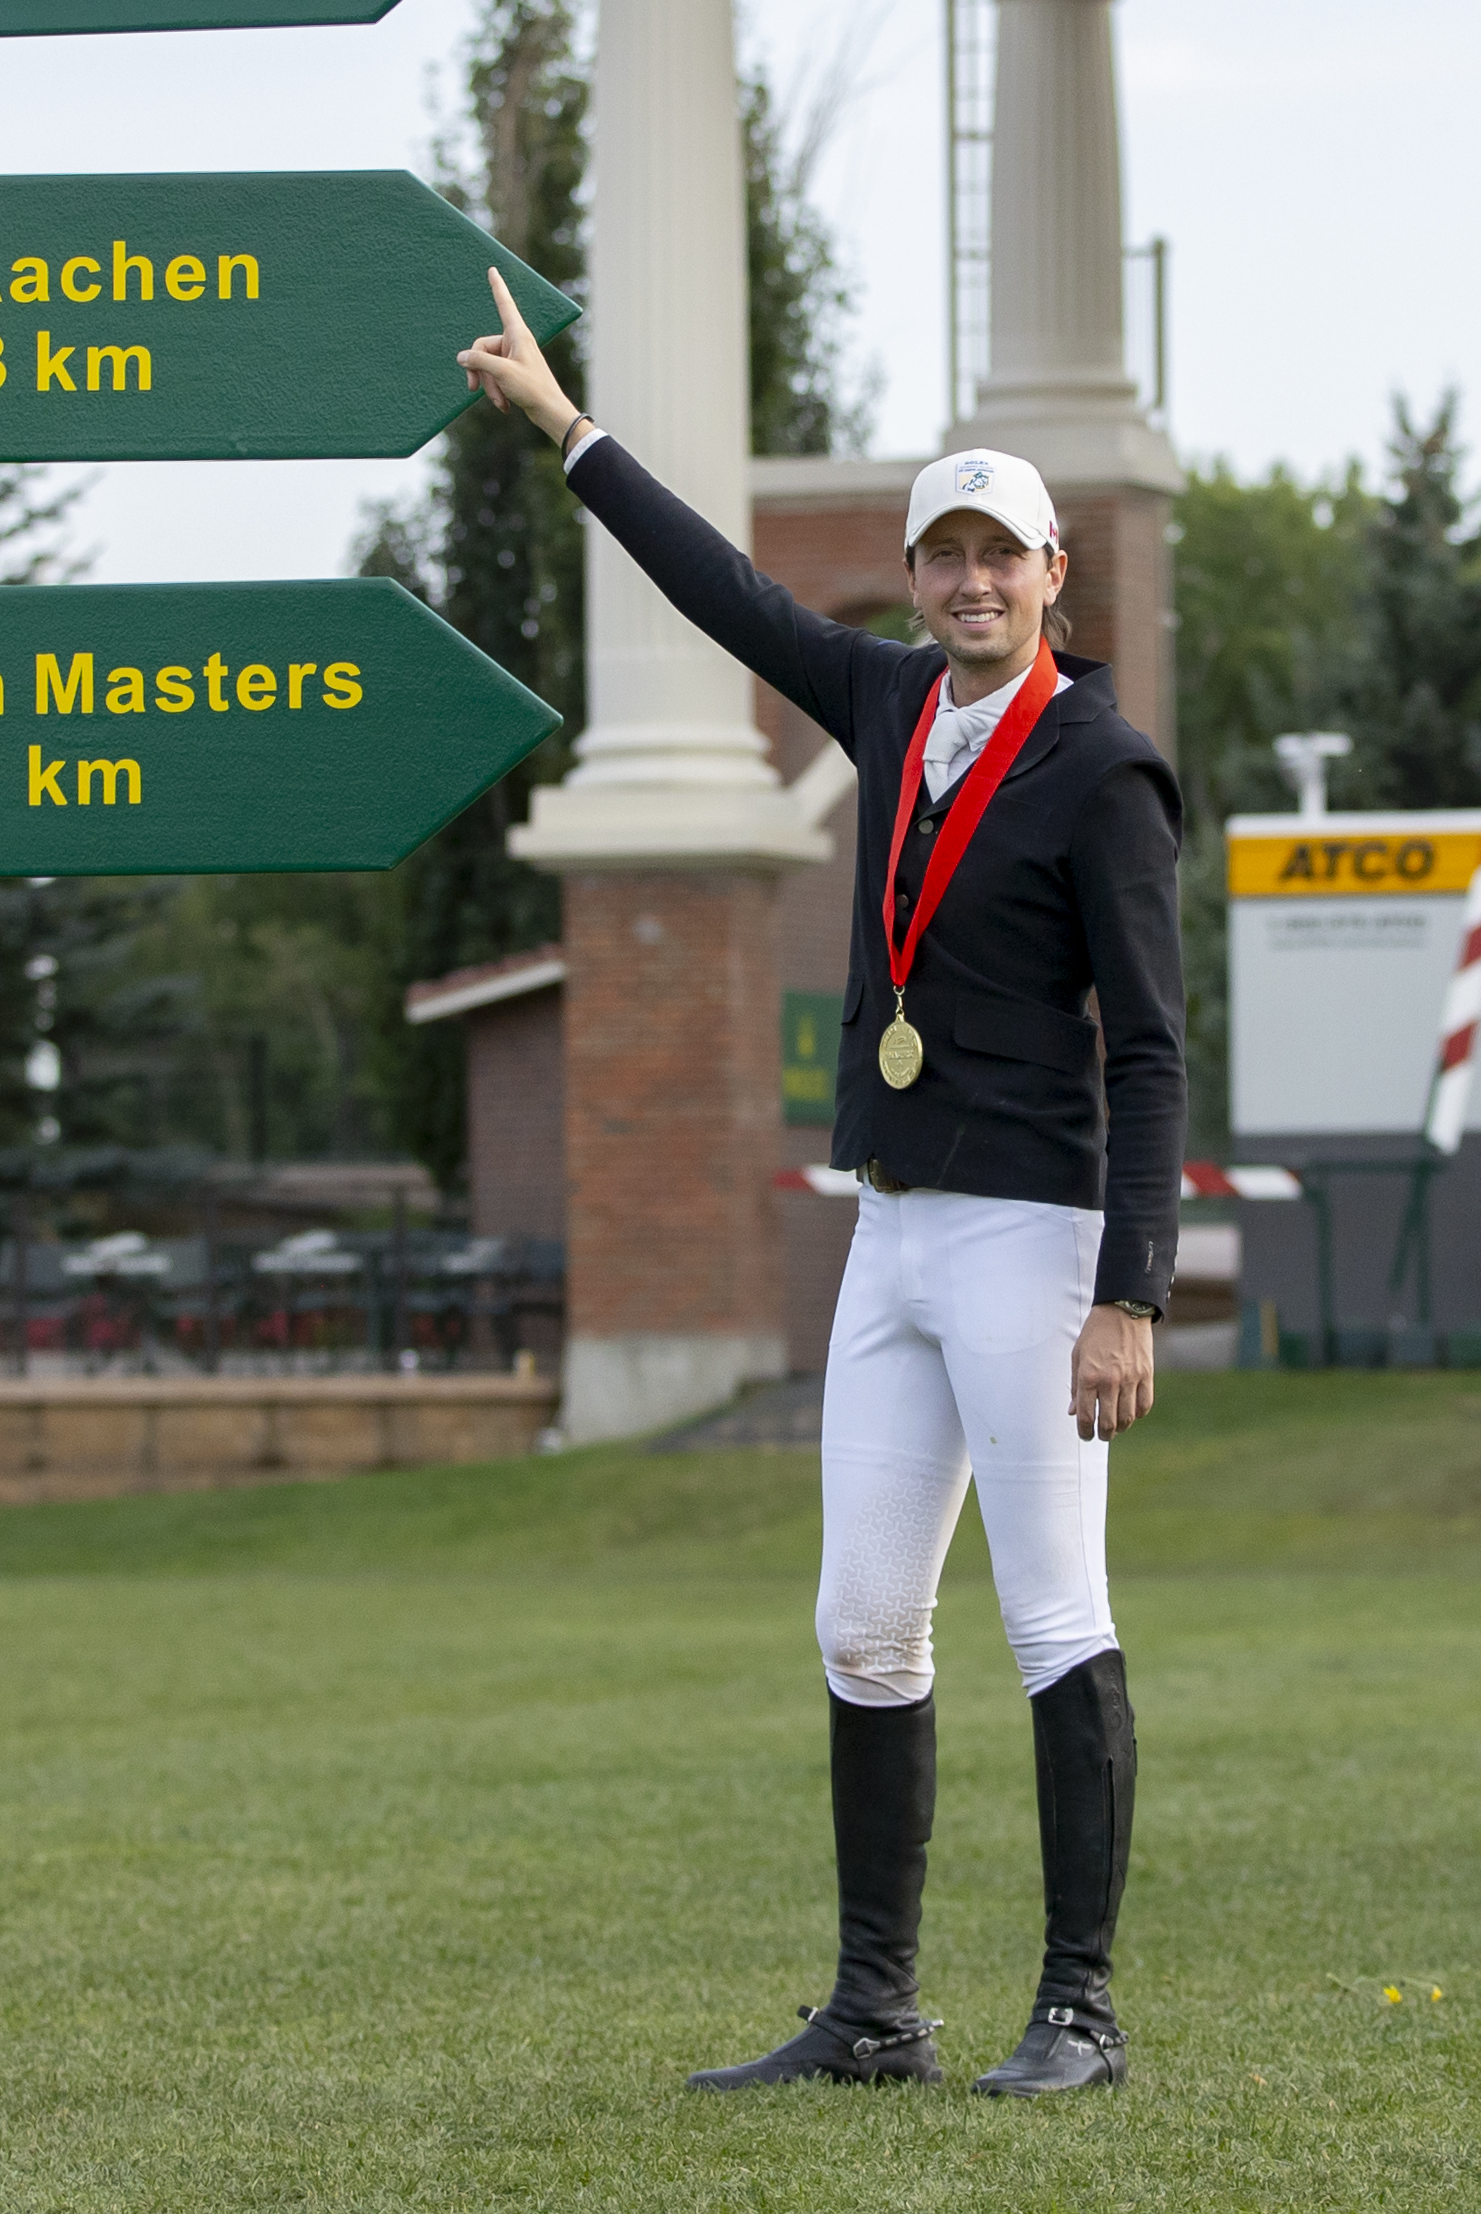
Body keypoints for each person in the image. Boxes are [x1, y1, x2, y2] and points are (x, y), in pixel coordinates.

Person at [460, 272, 1181, 2099]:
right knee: (863, 1620)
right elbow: (732, 595)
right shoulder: (882, 696)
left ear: (1051, 579)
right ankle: (876, 2011)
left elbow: (1158, 1048)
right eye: (942, 557)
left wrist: (1130, 1289)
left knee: (1050, 1615)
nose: (966, 585)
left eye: (997, 560)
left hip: (1033, 1237)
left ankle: (1079, 2008)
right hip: (895, 1230)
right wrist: (573, 433)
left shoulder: (1102, 767)